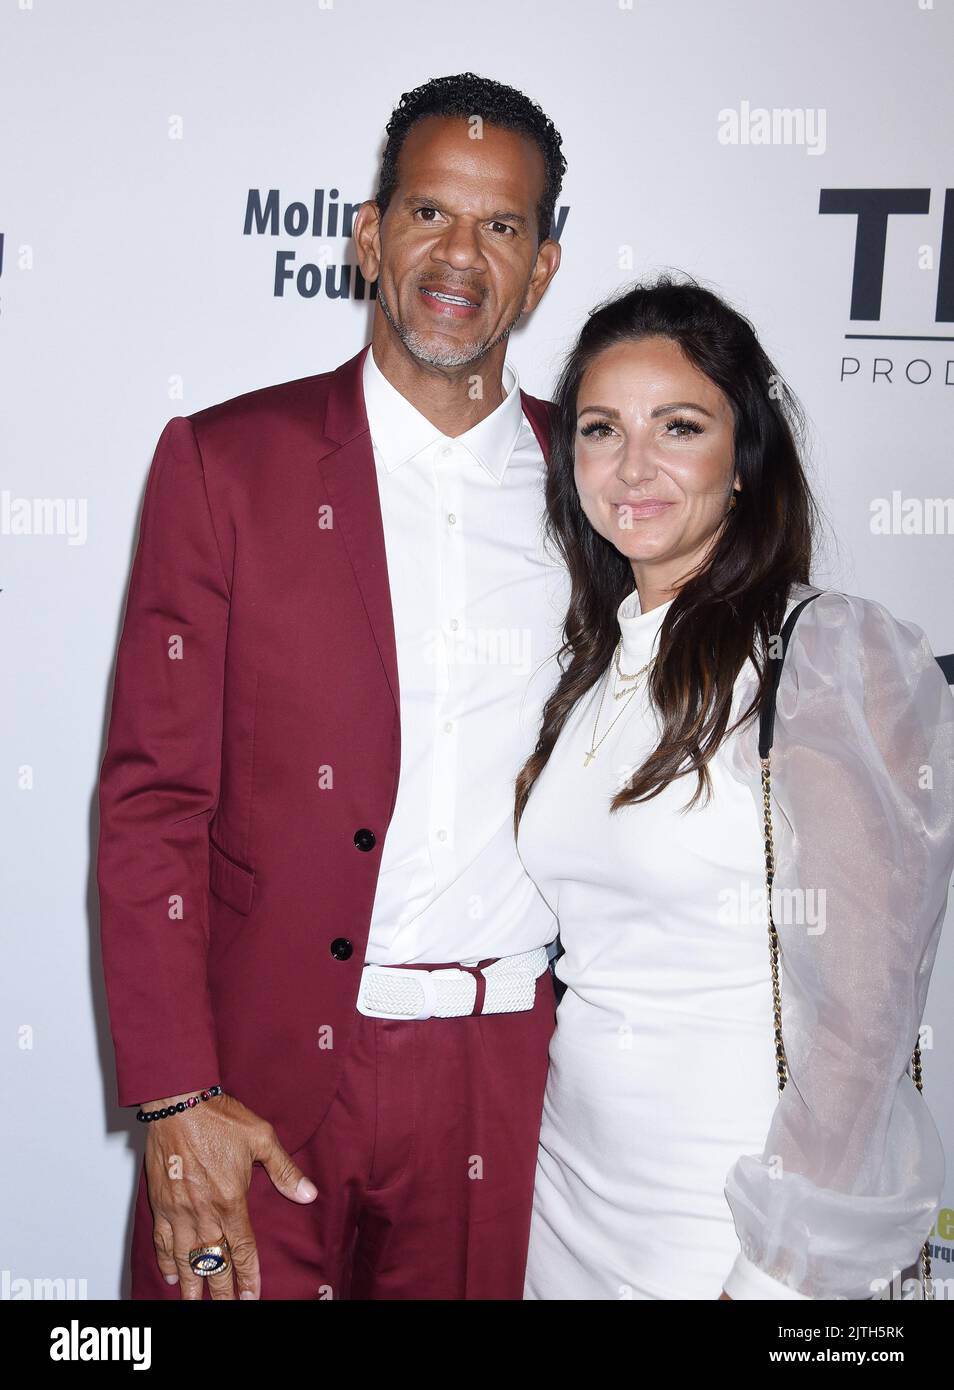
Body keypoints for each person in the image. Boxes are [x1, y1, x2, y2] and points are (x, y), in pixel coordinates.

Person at [97, 72, 569, 1301]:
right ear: (369, 235)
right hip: (258, 1070)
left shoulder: (605, 490)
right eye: (427, 213)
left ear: (545, 266)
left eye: (501, 226)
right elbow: (152, 805)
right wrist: (172, 1095)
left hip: (507, 1075)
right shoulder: (225, 465)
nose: (459, 254)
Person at [514, 276, 954, 1300]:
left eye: (679, 426)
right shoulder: (589, 669)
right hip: (566, 1205)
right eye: (598, 429)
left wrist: (776, 1277)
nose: (633, 467)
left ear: (745, 456)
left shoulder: (826, 652)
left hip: (730, 1226)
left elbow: (863, 1023)